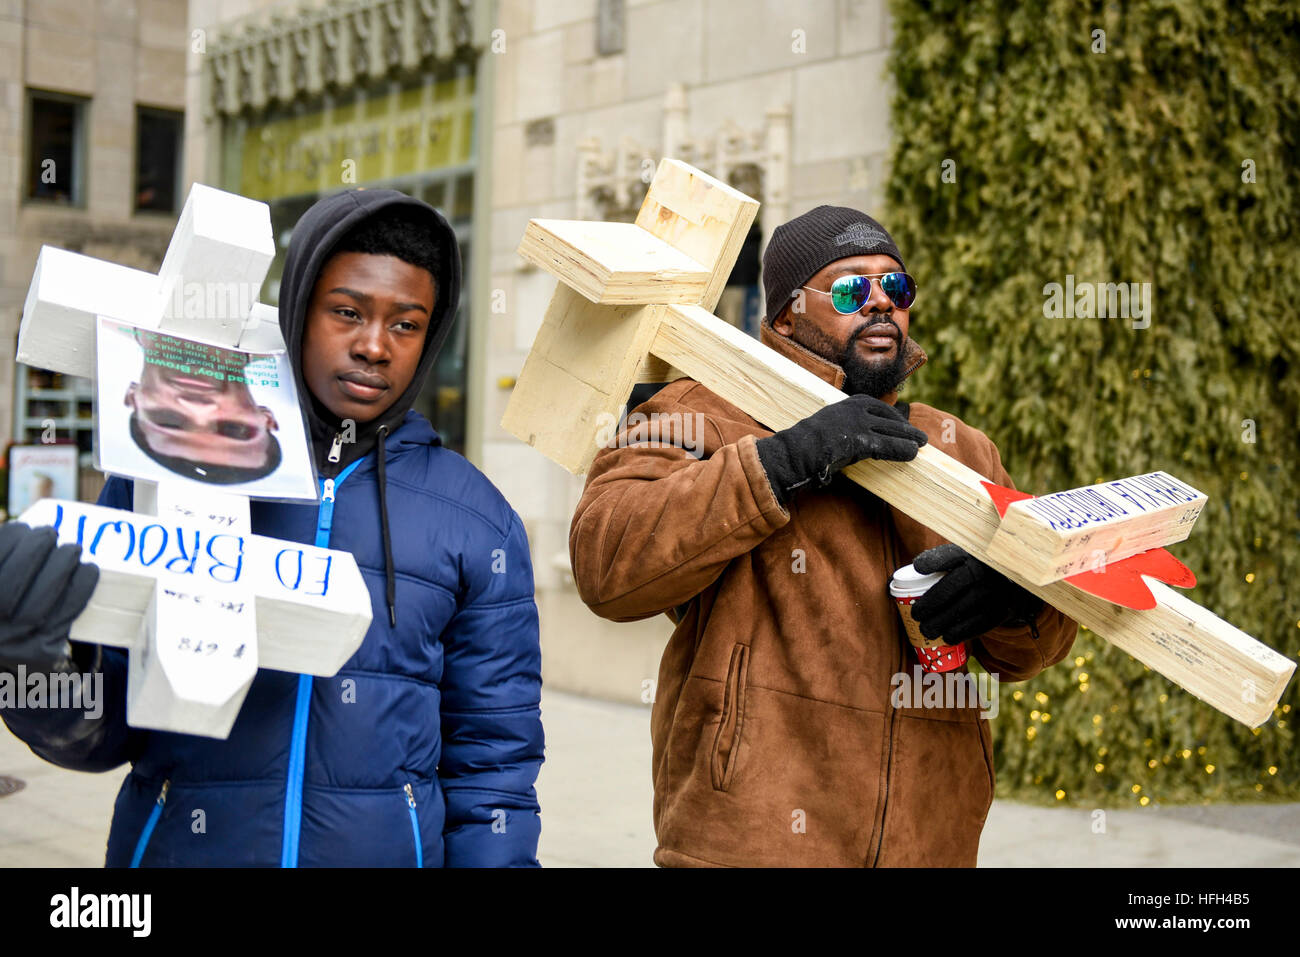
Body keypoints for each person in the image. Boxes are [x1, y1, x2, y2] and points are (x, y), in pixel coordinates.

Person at [0, 189, 544, 867]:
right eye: (347, 312)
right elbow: (102, 731)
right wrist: (34, 667)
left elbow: (494, 768)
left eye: (406, 324)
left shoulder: (478, 520)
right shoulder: (165, 478)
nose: (375, 346)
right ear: (297, 311)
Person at [569, 206, 1079, 867]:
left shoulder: (959, 450)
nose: (879, 304)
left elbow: (1034, 652)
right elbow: (606, 560)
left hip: (930, 849)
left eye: (895, 288)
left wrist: (1019, 600)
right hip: (749, 846)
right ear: (785, 315)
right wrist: (780, 462)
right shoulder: (701, 413)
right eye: (848, 289)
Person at [124, 329, 282, 484]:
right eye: (232, 429)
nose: (199, 408)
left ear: (133, 397)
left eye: (169, 419)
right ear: (267, 418)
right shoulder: (289, 338)